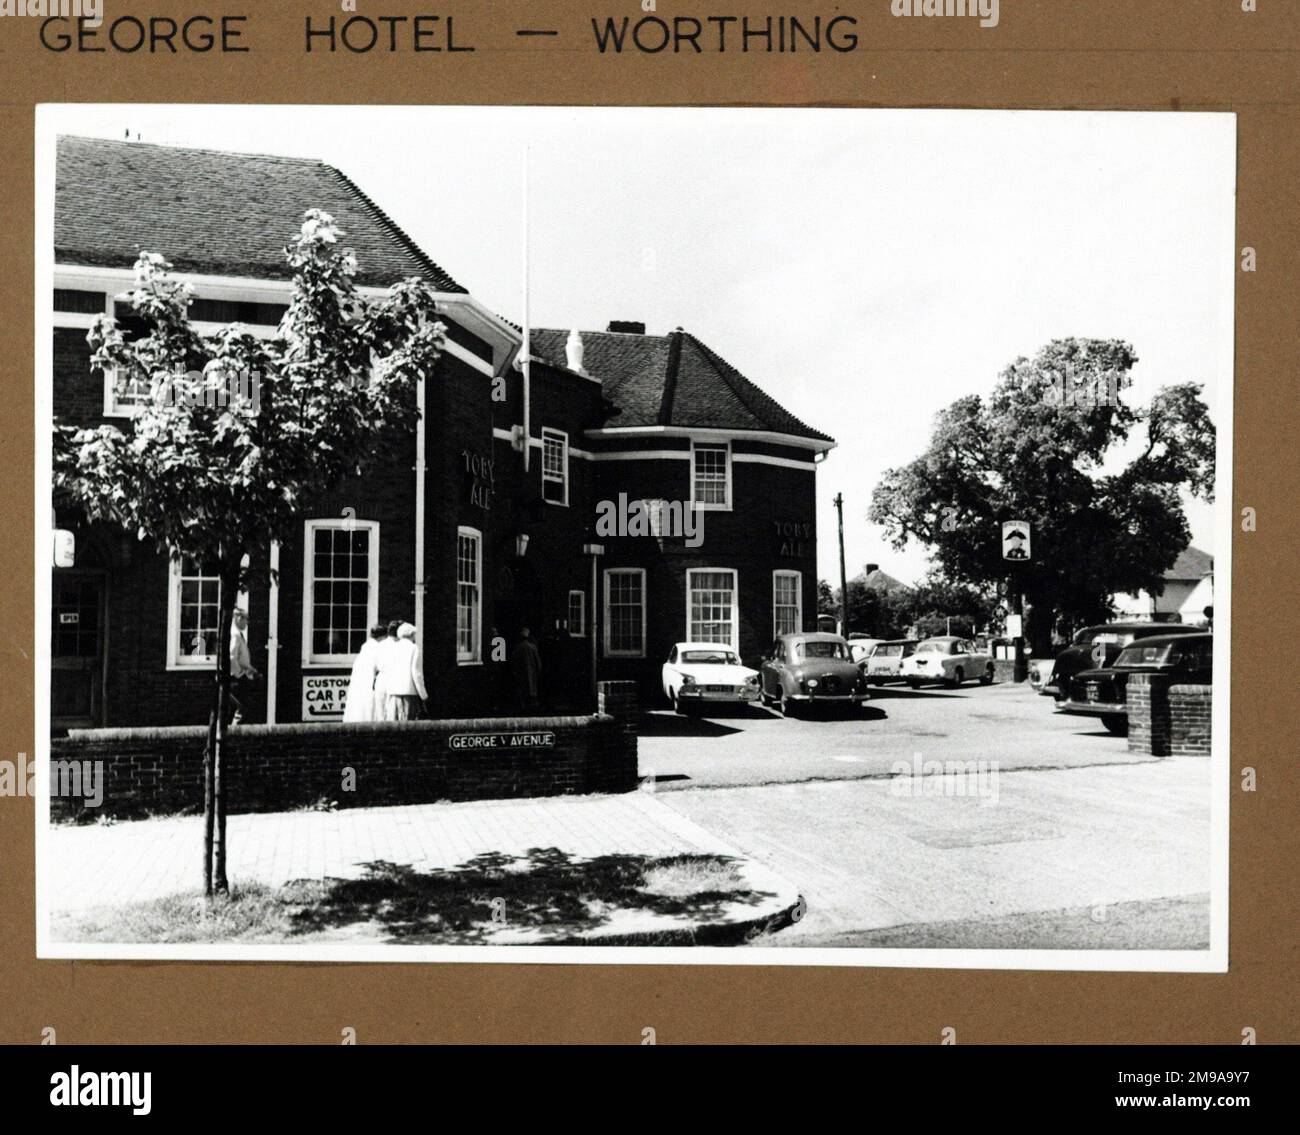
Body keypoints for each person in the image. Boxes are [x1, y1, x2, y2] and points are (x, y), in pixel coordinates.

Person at [378, 622, 428, 721]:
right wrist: (423, 694)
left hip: (393, 693)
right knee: (409, 724)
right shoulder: (414, 648)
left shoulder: (393, 648)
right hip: (409, 693)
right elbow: (416, 673)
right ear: (411, 635)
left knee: (394, 723)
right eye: (414, 635)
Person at [343, 624, 388, 723]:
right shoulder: (377, 649)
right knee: (367, 711)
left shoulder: (364, 649)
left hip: (357, 685)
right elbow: (383, 667)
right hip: (368, 686)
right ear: (382, 637)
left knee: (357, 710)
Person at [228, 608, 261, 725]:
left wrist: (252, 670)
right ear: (238, 618)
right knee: (242, 707)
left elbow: (240, 658)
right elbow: (231, 657)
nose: (247, 622)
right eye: (246, 619)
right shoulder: (235, 635)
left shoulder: (236, 634)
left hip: (237, 677)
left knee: (239, 707)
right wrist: (240, 675)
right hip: (236, 679)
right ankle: (235, 736)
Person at [512, 625, 542, 712]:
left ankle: (523, 706)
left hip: (521, 672)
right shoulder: (533, 647)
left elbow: (514, 661)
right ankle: (532, 706)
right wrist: (538, 671)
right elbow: (538, 661)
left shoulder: (518, 647)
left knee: (522, 689)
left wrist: (515, 671)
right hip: (532, 672)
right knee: (532, 689)